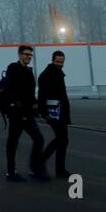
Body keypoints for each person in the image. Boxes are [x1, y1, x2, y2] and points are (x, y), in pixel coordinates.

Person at [4, 44, 47, 182]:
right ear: (19, 55)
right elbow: (14, 90)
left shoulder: (29, 71)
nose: (28, 57)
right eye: (26, 54)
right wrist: (18, 106)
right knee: (13, 142)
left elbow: (29, 92)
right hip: (17, 113)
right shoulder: (13, 68)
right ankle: (11, 172)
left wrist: (36, 106)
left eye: (30, 55)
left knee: (38, 139)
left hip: (27, 113)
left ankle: (34, 169)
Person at [37, 50, 71, 178]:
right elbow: (41, 95)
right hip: (52, 113)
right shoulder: (46, 75)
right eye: (57, 62)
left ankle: (59, 169)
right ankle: (42, 160)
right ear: (52, 60)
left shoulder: (58, 73)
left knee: (63, 140)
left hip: (61, 112)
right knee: (62, 139)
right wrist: (44, 113)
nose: (60, 64)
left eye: (62, 62)